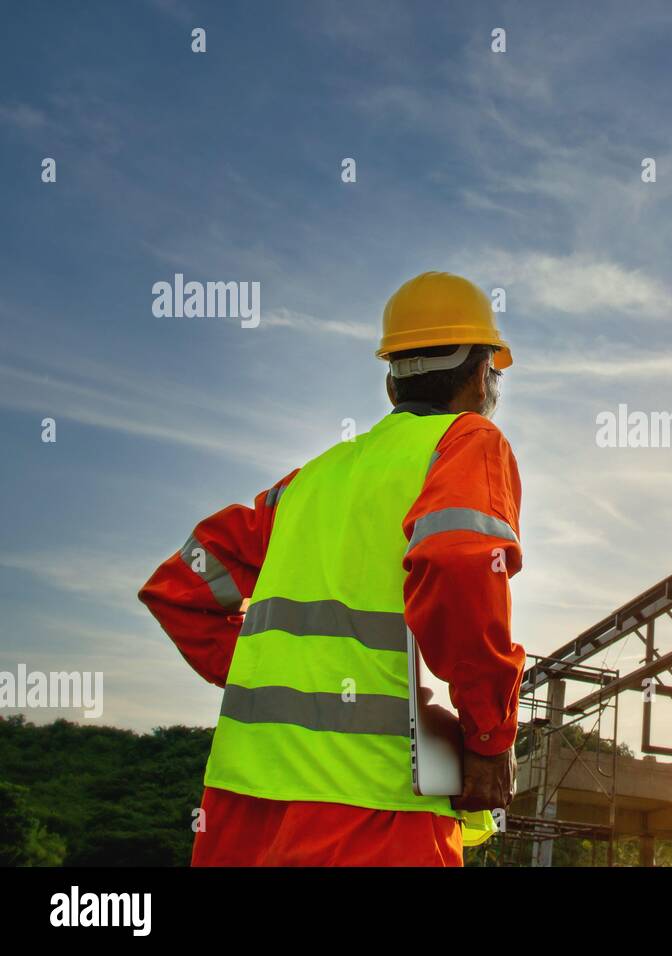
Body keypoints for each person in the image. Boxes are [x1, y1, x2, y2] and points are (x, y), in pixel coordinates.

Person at [139, 271, 524, 866]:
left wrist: (279, 682)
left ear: (392, 381)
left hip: (239, 806)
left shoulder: (309, 480)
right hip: (370, 808)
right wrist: (488, 736)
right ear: (481, 374)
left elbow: (181, 587)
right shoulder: (467, 441)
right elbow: (457, 562)